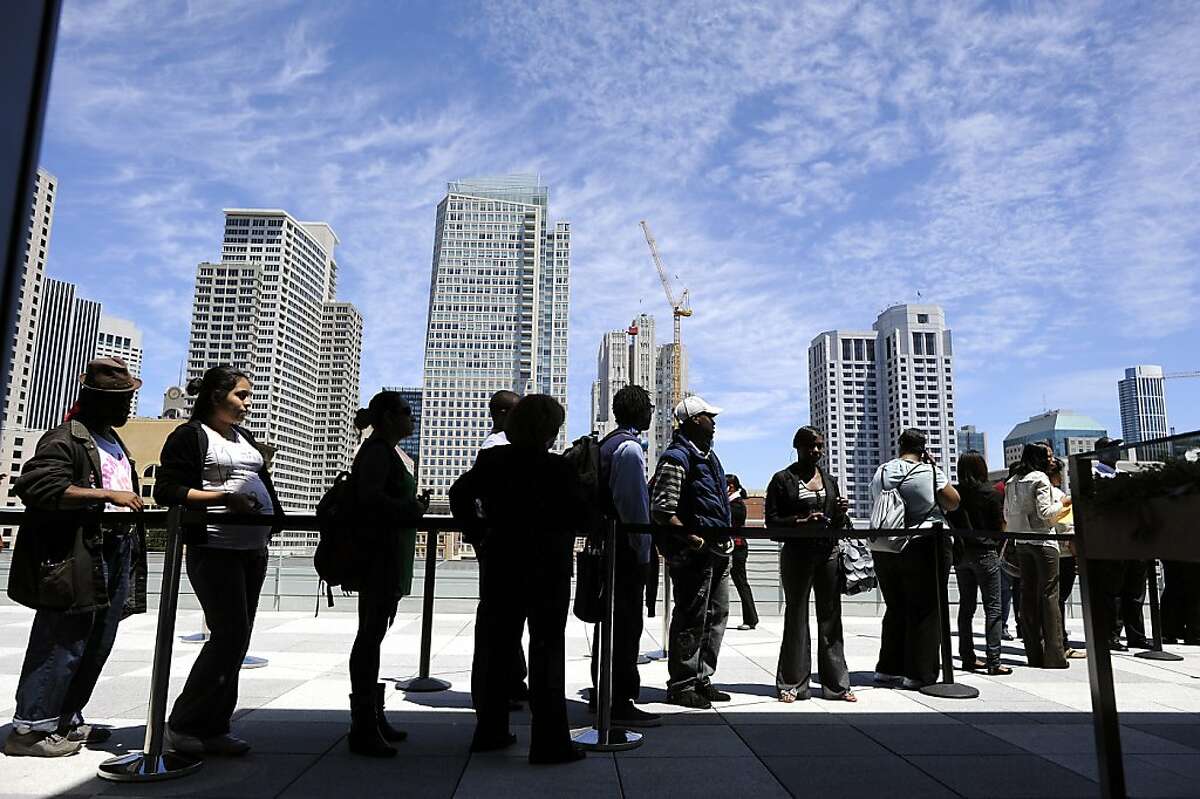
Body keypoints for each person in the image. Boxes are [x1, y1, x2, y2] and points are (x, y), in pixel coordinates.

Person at [4, 358, 147, 757]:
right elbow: (36, 485)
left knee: (98, 641)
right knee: (60, 642)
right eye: (122, 401)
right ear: (98, 399)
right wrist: (106, 495)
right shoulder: (65, 438)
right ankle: (29, 730)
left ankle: (65, 718)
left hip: (116, 550)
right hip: (79, 554)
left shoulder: (111, 440)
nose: (127, 409)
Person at [449, 394, 587, 765]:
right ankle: (550, 742)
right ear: (550, 430)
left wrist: (478, 535)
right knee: (547, 653)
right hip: (548, 571)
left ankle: (490, 731)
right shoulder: (559, 470)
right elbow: (584, 516)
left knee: (494, 650)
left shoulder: (493, 461)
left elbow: (458, 494)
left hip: (501, 567)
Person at [155, 366, 282, 756]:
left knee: (237, 638)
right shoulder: (190, 436)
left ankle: (214, 725)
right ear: (215, 396)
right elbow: (167, 490)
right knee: (228, 635)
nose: (248, 403)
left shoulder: (243, 438)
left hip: (251, 549)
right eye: (241, 396)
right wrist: (224, 498)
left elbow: (262, 482)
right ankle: (184, 724)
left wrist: (271, 517)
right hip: (215, 548)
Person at [345, 391, 429, 757]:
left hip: (386, 557)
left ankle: (372, 717)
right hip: (378, 558)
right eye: (407, 413)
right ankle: (364, 725)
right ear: (391, 418)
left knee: (373, 636)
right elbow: (369, 499)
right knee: (369, 638)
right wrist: (411, 508)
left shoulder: (384, 450)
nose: (412, 418)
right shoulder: (378, 452)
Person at [651, 396, 733, 709]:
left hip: (716, 550)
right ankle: (683, 684)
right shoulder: (677, 457)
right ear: (694, 420)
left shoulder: (707, 457)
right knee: (691, 617)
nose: (714, 421)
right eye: (709, 416)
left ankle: (701, 678)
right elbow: (662, 509)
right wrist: (690, 538)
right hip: (694, 554)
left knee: (715, 615)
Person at [768, 426, 856, 702]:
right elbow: (772, 524)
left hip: (828, 554)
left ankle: (837, 686)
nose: (816, 451)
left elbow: (839, 525)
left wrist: (840, 513)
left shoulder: (829, 480)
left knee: (831, 618)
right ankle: (792, 683)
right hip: (797, 554)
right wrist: (800, 522)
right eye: (810, 446)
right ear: (797, 446)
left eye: (819, 445)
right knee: (796, 617)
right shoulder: (783, 479)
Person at [869, 428, 960, 690]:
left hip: (886, 545)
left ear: (899, 446)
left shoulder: (882, 471)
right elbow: (953, 502)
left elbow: (877, 500)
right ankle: (919, 673)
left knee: (896, 607)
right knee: (927, 609)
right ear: (924, 448)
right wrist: (933, 469)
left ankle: (888, 669)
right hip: (924, 542)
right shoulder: (929, 471)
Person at [591, 385, 660, 727]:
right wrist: (644, 554)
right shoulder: (630, 449)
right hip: (625, 552)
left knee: (610, 623)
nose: (652, 412)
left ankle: (603, 693)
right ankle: (620, 701)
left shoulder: (608, 443)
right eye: (648, 407)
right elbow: (634, 510)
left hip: (606, 548)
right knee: (627, 625)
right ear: (638, 411)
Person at [1004, 443, 1069, 669]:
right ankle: (1055, 655)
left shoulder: (1012, 481)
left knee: (1028, 597)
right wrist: (1061, 502)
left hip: (1021, 543)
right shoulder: (1040, 478)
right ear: (1039, 458)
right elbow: (1045, 514)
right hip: (1043, 542)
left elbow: (1006, 514)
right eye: (1048, 456)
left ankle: (1033, 654)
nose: (1052, 460)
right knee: (1050, 595)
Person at [949, 450, 1010, 675]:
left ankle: (967, 657)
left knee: (966, 608)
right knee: (993, 608)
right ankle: (994, 661)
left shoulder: (954, 494)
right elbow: (999, 526)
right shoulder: (992, 494)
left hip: (962, 554)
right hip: (986, 553)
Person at [1092, 437, 1151, 651]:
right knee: (1113, 592)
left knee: (1135, 591)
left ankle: (1136, 635)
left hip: (1134, 542)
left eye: (1117, 447)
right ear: (1100, 453)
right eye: (1111, 448)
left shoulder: (1125, 477)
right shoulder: (1095, 477)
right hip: (1112, 543)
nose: (1117, 451)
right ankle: (1112, 635)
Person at [1047, 459, 1085, 660]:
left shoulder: (1041, 493)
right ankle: (1062, 644)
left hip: (1046, 553)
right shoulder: (1061, 497)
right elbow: (1068, 531)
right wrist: (1078, 555)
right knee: (1059, 600)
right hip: (1064, 555)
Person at [727, 474, 759, 631]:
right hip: (734, 547)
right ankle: (751, 618)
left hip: (737, 549)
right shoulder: (733, 503)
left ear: (731, 486)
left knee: (741, 583)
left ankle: (751, 618)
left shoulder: (736, 505)